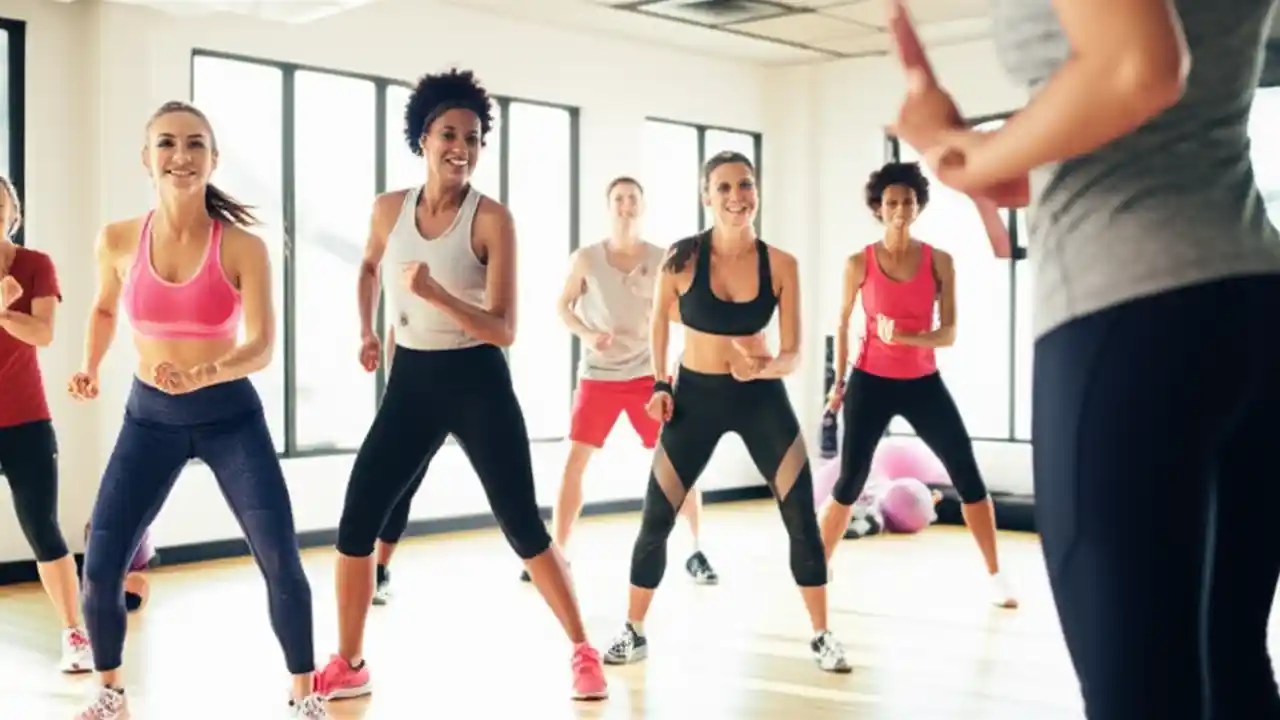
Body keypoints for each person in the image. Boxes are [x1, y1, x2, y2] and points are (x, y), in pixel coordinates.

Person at [893, 0, 1280, 716]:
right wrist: (963, 152)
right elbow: (1089, 138)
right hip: (1252, 302)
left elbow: (1138, 69)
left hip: (1131, 317)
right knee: (1231, 665)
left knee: (1143, 695)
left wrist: (962, 149)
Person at [316, 68, 608, 702]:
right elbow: (369, 267)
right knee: (357, 517)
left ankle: (585, 652)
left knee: (521, 525)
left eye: (474, 138)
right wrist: (367, 331)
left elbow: (504, 328)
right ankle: (350, 661)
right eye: (450, 134)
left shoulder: (492, 221)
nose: (463, 148)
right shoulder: (387, 209)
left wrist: (436, 294)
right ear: (424, 138)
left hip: (477, 380)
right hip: (411, 379)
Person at [68, 100, 327, 720]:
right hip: (148, 419)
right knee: (101, 567)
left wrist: (206, 372)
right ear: (146, 158)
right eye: (166, 144)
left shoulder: (243, 248)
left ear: (213, 158)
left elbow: (261, 346)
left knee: (279, 560)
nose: (180, 156)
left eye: (194, 144)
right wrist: (90, 364)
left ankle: (305, 695)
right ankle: (110, 691)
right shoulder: (117, 239)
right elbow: (105, 309)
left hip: (230, 418)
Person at [602, 150, 851, 674]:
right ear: (706, 197)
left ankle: (823, 635)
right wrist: (660, 383)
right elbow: (658, 325)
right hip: (694, 397)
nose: (737, 197)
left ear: (755, 191)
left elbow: (793, 353)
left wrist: (764, 371)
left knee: (801, 517)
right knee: (656, 517)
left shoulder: (781, 264)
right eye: (724, 188)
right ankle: (634, 630)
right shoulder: (682, 258)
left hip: (760, 398)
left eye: (745, 185)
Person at [820, 162, 1016, 608]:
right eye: (891, 202)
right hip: (870, 382)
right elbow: (843, 321)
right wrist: (838, 382)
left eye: (908, 201)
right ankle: (820, 563)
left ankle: (996, 574)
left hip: (922, 382)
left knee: (967, 474)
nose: (900, 209)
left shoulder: (939, 261)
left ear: (918, 206)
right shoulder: (858, 263)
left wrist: (904, 337)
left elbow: (948, 333)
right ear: (878, 208)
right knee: (850, 479)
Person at [543, 175, 718, 585]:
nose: (626, 205)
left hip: (648, 375)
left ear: (643, 205)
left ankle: (696, 550)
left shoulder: (663, 259)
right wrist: (586, 333)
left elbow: (683, 314)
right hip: (599, 376)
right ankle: (557, 554)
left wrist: (647, 290)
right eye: (619, 199)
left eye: (633, 199)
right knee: (574, 464)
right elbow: (563, 306)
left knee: (678, 463)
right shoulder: (586, 258)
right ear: (610, 206)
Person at [0, 175, 92, 674]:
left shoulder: (36, 265)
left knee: (42, 529)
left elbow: (43, 333)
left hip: (25, 419)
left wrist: (1, 313)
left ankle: (74, 634)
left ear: (13, 213)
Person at [369, 323, 427, 606]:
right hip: (411, 393)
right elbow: (398, 329)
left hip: (465, 383)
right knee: (399, 487)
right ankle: (377, 570)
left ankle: (535, 560)